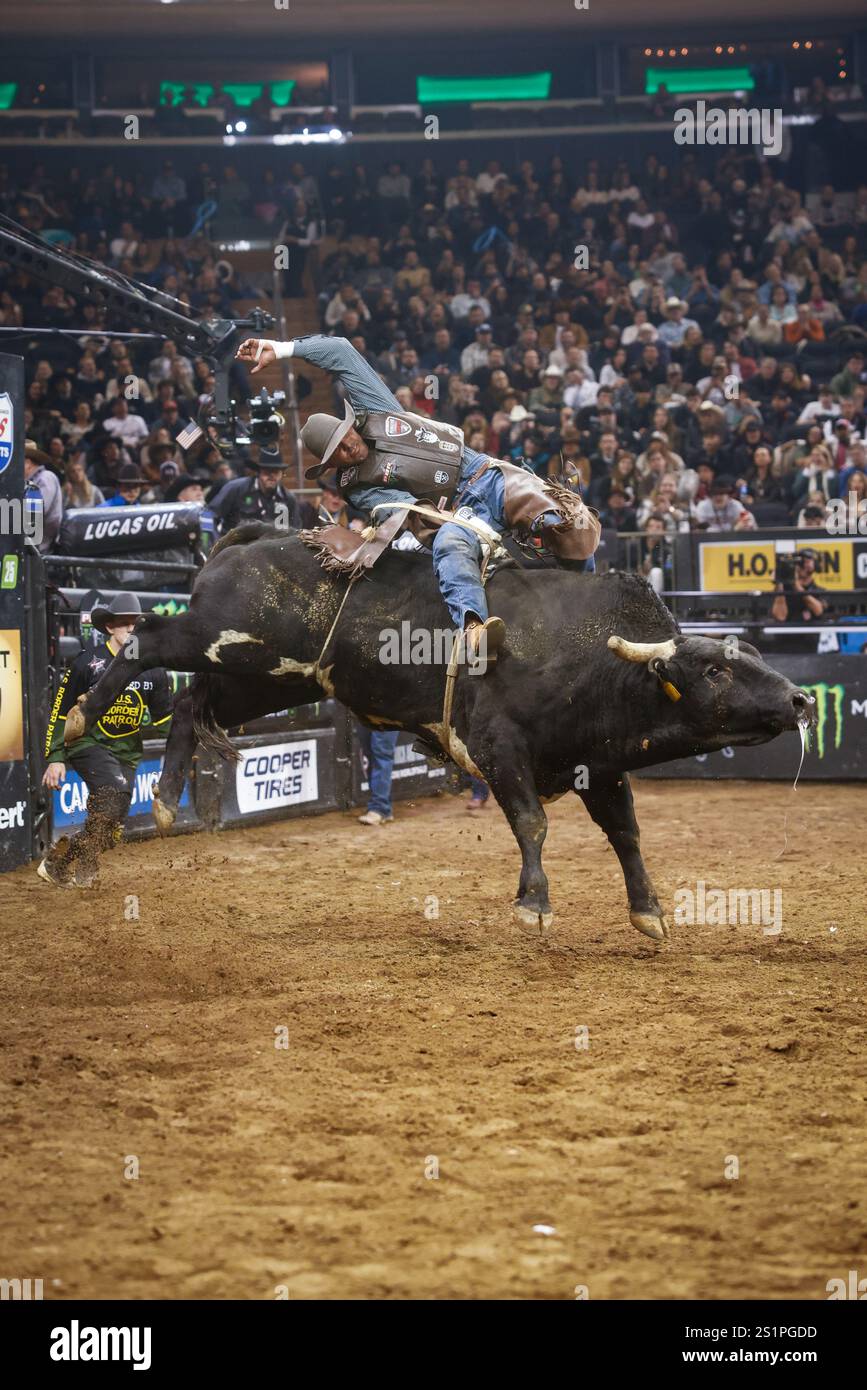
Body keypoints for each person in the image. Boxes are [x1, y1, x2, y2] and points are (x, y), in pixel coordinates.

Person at [235, 334, 600, 671]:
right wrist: (460, 523)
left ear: (350, 425)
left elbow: (341, 351)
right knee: (449, 545)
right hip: (454, 513)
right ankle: (474, 630)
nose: (350, 447)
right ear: (331, 464)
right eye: (339, 452)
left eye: (346, 437)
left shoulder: (377, 410)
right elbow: (406, 509)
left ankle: (594, 605)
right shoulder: (357, 487)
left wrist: (280, 349)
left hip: (487, 475)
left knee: (563, 520)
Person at [39, 593, 173, 887]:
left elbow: (166, 723)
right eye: (124, 623)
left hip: (127, 754)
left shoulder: (154, 669)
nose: (131, 629)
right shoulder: (88, 662)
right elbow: (60, 711)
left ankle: (60, 865)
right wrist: (55, 758)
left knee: (111, 829)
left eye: (136, 624)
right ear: (110, 627)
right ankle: (81, 869)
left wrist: (192, 740)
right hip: (87, 744)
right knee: (113, 796)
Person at [209, 448, 301, 533]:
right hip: (237, 543)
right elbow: (210, 515)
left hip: (273, 544)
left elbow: (295, 530)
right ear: (258, 472)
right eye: (267, 471)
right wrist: (215, 540)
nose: (271, 476)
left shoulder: (288, 498)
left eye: (276, 472)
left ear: (281, 474)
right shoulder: (235, 488)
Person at [23, 438, 62, 553]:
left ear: (27, 463)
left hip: (40, 550)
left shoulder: (45, 478)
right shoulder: (26, 483)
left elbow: (34, 513)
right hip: (27, 548)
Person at [770, 548, 828, 625]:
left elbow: (818, 611)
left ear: (815, 565)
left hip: (811, 631)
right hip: (787, 631)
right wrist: (779, 582)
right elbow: (780, 617)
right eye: (799, 563)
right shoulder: (783, 590)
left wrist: (796, 585)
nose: (801, 566)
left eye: (806, 562)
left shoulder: (819, 590)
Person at [355, 724, 399, 826]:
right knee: (369, 753)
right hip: (365, 716)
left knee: (382, 753)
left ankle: (379, 808)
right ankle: (383, 808)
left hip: (386, 716)